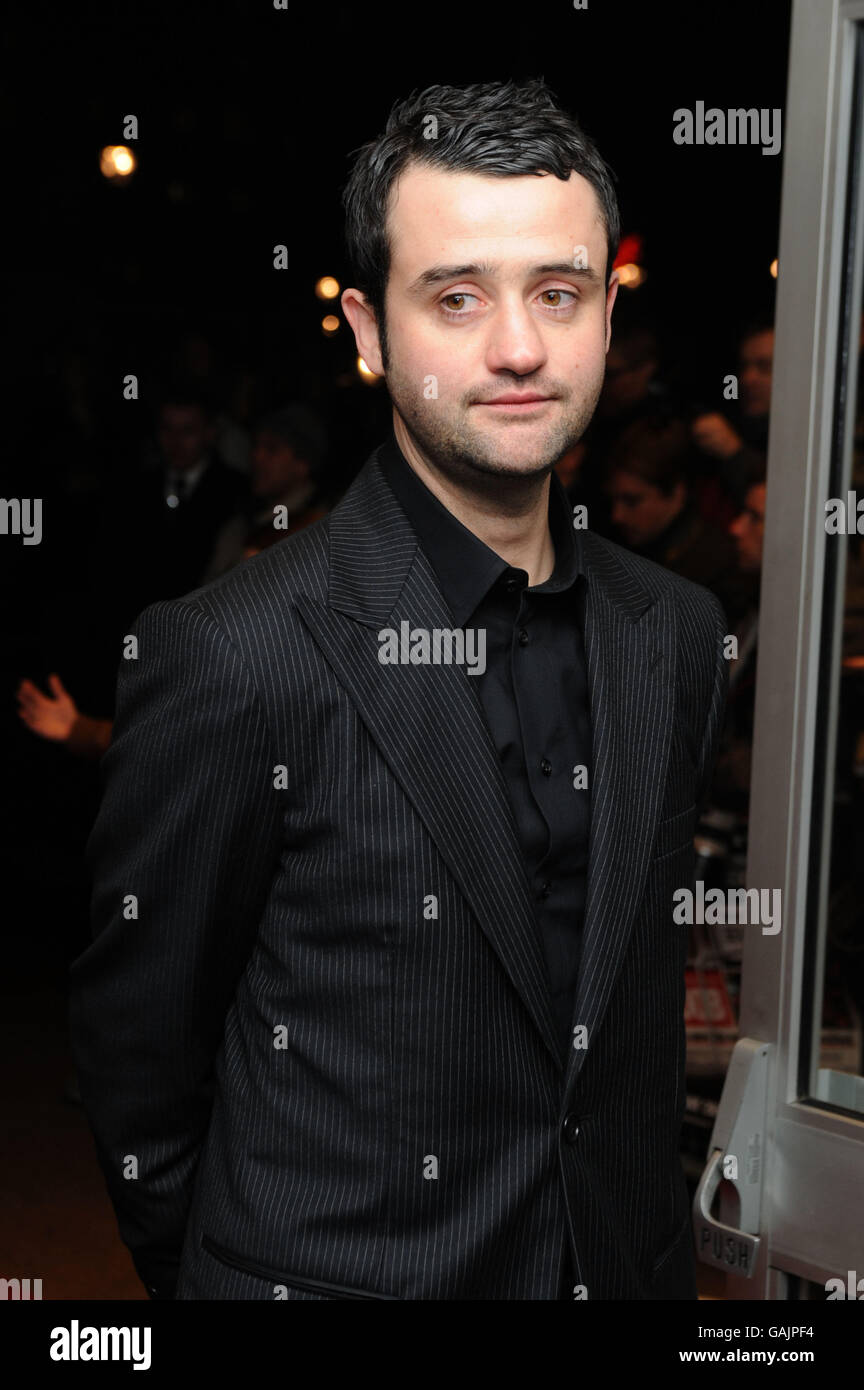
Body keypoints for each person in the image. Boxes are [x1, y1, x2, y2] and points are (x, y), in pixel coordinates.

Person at [69, 77, 728, 1302]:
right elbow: (137, 1054)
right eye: (457, 297)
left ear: (602, 318)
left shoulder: (680, 633)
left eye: (558, 293)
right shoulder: (233, 653)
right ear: (371, 336)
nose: (519, 345)